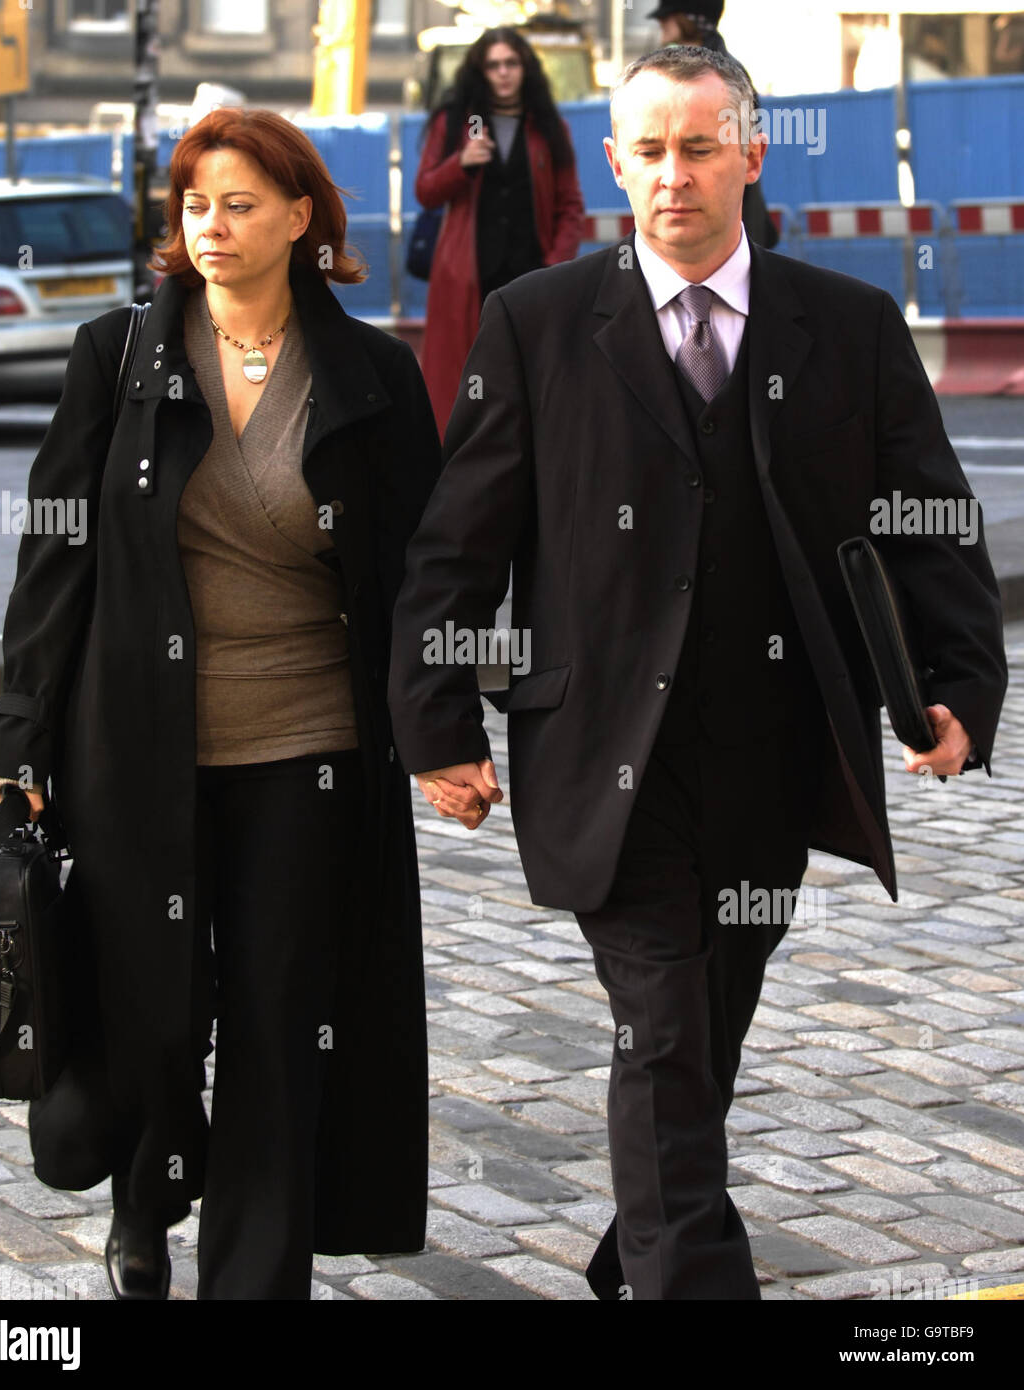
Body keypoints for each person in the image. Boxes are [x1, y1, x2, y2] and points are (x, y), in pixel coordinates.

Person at [386, 45, 1007, 1299]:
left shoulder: (846, 325)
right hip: (604, 752)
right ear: (615, 163)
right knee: (665, 1025)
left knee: (705, 1026)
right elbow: (459, 540)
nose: (674, 175)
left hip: (779, 752)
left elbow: (928, 519)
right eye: (649, 151)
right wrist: (436, 718)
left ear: (751, 154)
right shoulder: (539, 325)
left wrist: (961, 688)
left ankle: (642, 1245)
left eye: (700, 146)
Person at [0, 106, 440, 1300]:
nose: (214, 226)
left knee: (282, 1021)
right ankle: (145, 1194)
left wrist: (444, 728)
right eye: (195, 205)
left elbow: (419, 573)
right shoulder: (117, 356)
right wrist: (19, 726)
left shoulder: (374, 374)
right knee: (155, 1005)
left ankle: (253, 1280)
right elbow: (58, 550)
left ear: (302, 219)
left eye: (241, 204)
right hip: (134, 745)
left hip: (309, 746)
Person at [415, 25, 585, 439]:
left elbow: (570, 205)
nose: (504, 73)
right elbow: (426, 191)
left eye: (511, 63)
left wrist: (555, 265)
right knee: (466, 379)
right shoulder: (455, 122)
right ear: (480, 71)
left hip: (532, 272)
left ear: (526, 68)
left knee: (532, 377)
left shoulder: (548, 126)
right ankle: (462, 461)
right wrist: (462, 162)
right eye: (494, 65)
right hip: (467, 277)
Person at [647, 1, 778, 250]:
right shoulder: (709, 71)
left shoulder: (723, 78)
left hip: (723, 232)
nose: (660, 23)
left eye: (699, 151)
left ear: (690, 18)